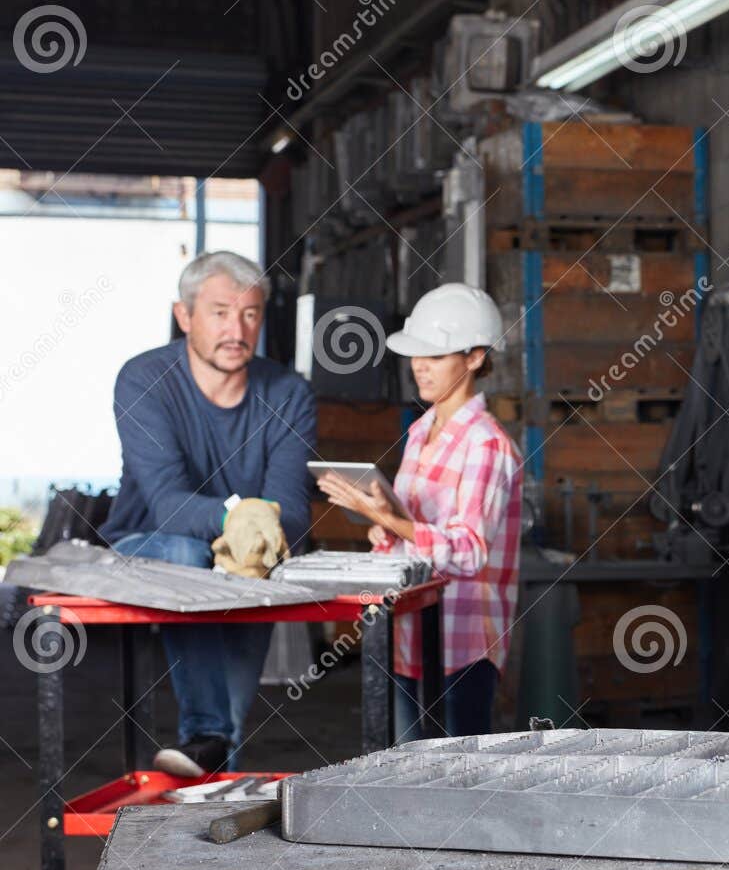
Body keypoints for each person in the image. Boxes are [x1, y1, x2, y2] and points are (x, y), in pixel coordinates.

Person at [98, 251, 315, 775]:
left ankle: (209, 788)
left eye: (249, 314)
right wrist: (235, 520)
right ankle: (203, 730)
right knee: (185, 550)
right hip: (147, 546)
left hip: (242, 563)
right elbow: (166, 503)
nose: (235, 329)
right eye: (219, 312)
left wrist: (258, 539)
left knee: (226, 743)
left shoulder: (288, 393)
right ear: (184, 315)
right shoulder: (143, 380)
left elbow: (291, 507)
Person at [318, 283, 521, 741]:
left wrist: (389, 519)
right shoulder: (420, 432)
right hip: (408, 630)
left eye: (436, 355)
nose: (419, 366)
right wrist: (384, 529)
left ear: (473, 357)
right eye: (416, 354)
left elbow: (467, 551)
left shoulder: (486, 444)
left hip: (461, 642)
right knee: (405, 774)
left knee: (455, 783)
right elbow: (419, 531)